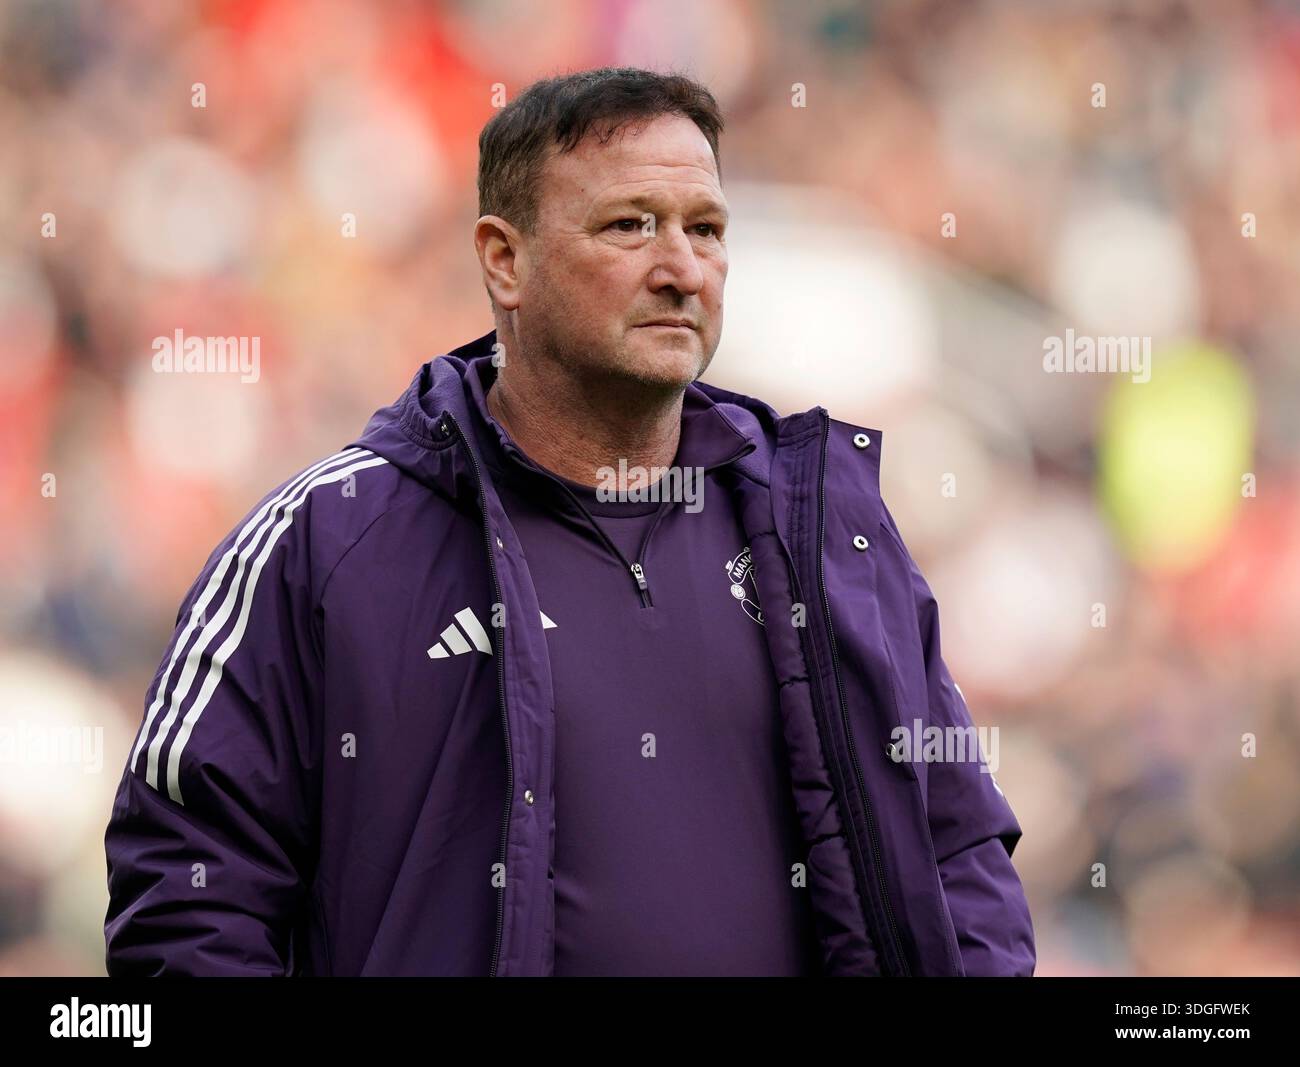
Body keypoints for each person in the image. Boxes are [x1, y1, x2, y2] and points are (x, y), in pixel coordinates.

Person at [103, 67, 1035, 976]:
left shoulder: (826, 532)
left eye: (704, 229)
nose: (681, 269)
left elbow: (957, 844)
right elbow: (189, 886)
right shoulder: (326, 542)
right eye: (630, 226)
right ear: (504, 261)